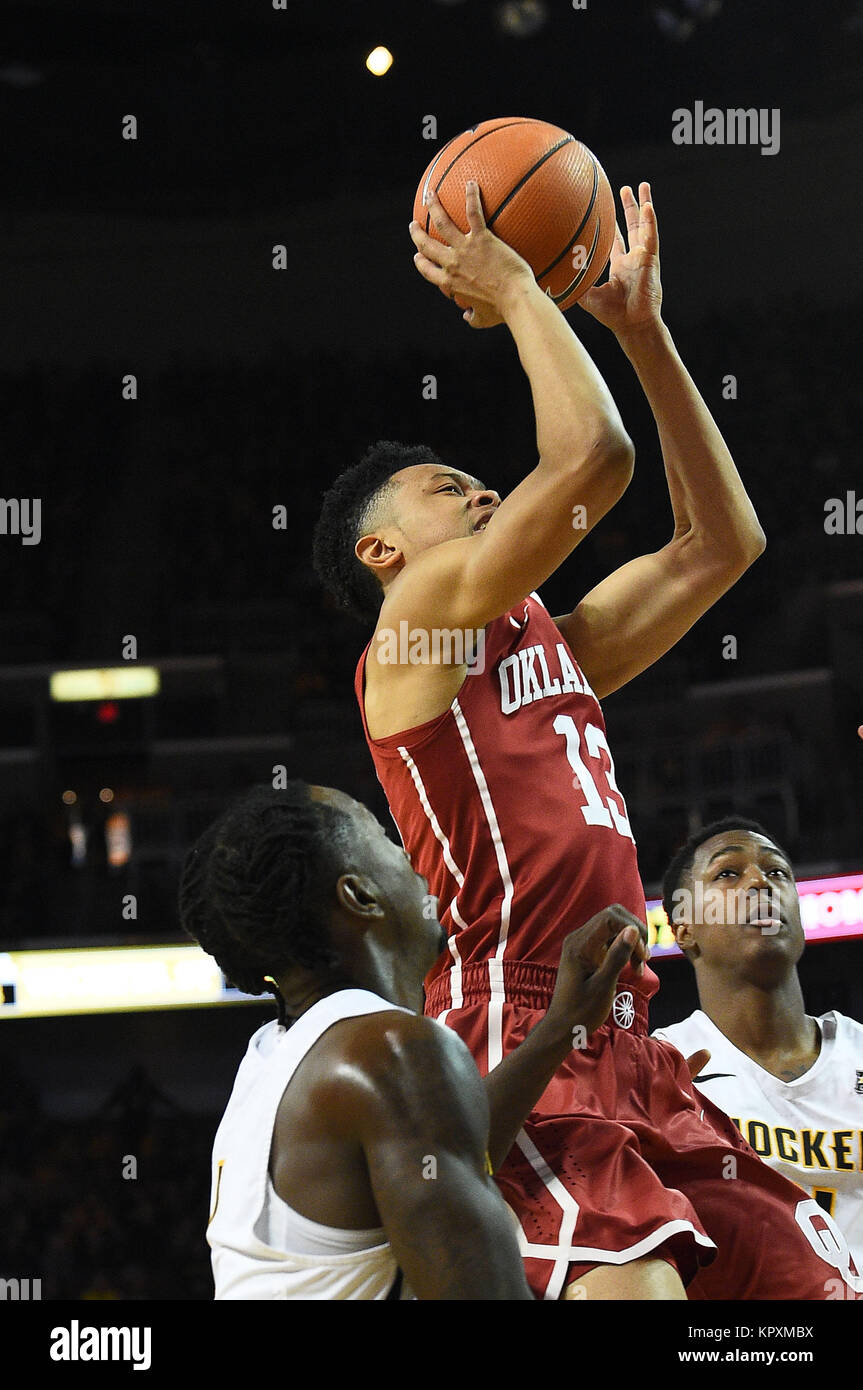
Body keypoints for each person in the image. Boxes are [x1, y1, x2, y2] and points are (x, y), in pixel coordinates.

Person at [313, 180, 862, 1301]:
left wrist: (643, 331)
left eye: (478, 480)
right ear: (380, 552)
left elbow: (722, 544)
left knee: (813, 1292)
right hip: (507, 1025)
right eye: (444, 487)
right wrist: (517, 283)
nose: (479, 490)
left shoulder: (548, 644)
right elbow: (592, 460)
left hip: (633, 1036)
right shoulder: (409, 640)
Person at [178, 780, 650, 1300]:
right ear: (359, 895)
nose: (407, 854)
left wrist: (559, 1028)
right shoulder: (389, 1051)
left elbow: (438, 1150)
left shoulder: (279, 1055)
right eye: (382, 836)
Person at [653, 815, 863, 1273]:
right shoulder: (662, 1068)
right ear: (683, 926)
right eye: (728, 872)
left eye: (777, 872)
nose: (760, 883)